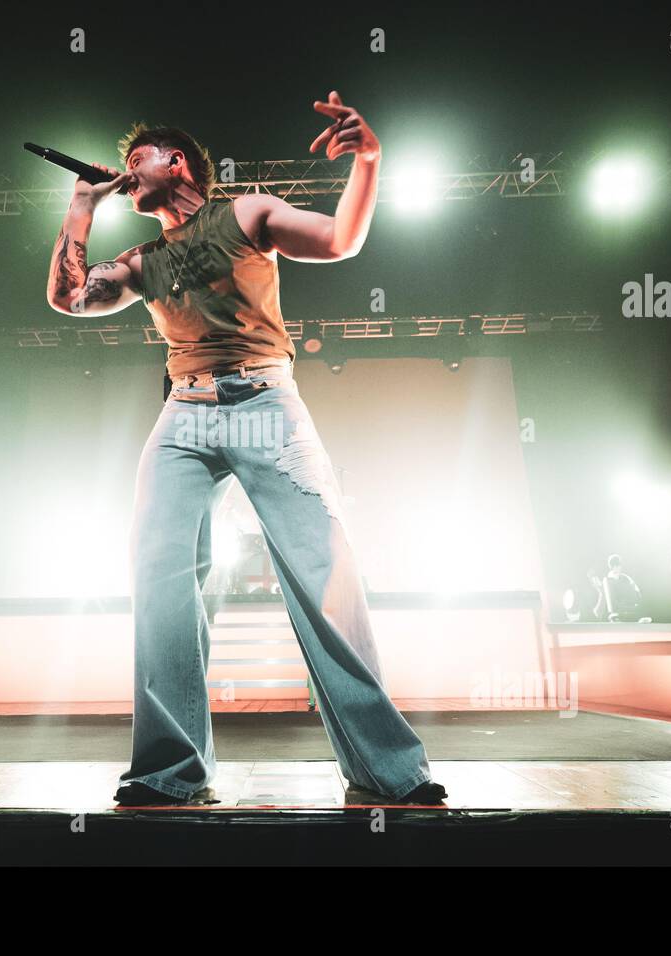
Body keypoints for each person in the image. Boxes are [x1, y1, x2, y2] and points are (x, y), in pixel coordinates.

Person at [47, 91, 446, 806]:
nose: (125, 173)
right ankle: (169, 773)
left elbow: (339, 241)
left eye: (135, 161)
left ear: (176, 161)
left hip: (264, 401)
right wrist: (80, 207)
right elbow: (68, 300)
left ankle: (388, 769)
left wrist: (371, 161)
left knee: (323, 574)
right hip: (184, 413)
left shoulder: (248, 212)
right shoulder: (142, 259)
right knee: (161, 578)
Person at [591, 554, 643, 622]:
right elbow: (604, 597)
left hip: (626, 610)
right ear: (613, 567)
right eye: (618, 565)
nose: (620, 567)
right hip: (613, 613)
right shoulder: (607, 581)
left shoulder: (625, 578)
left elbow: (636, 592)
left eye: (620, 565)